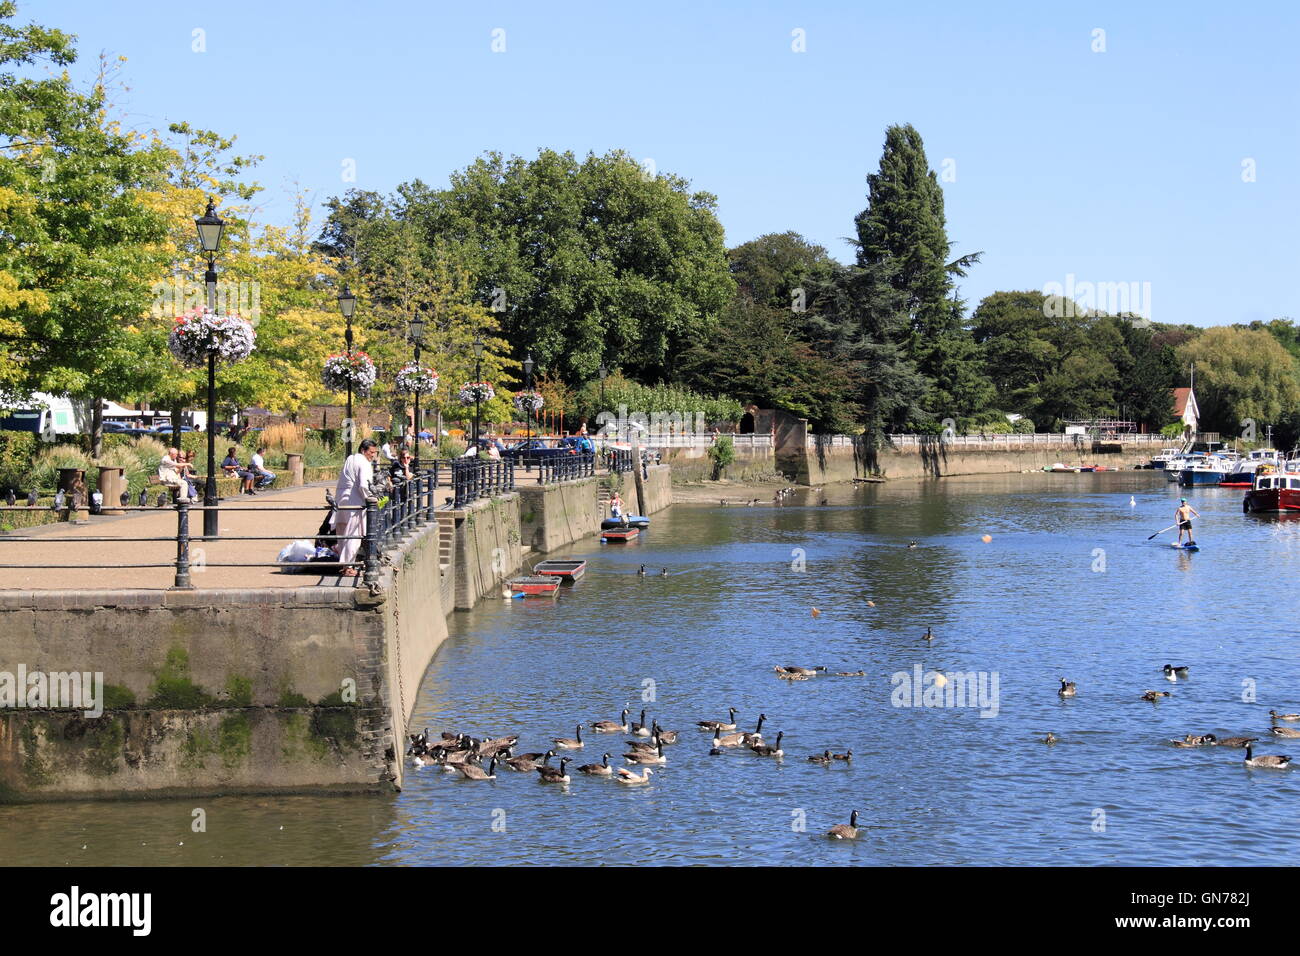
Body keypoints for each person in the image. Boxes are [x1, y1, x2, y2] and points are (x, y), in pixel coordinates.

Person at [332, 438, 379, 576]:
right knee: (354, 535)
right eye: (371, 452)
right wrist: (372, 499)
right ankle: (348, 567)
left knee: (342, 533)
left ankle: (344, 565)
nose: (373, 455)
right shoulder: (364, 463)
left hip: (342, 500)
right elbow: (364, 485)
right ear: (363, 450)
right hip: (355, 503)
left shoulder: (350, 459)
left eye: (375, 452)